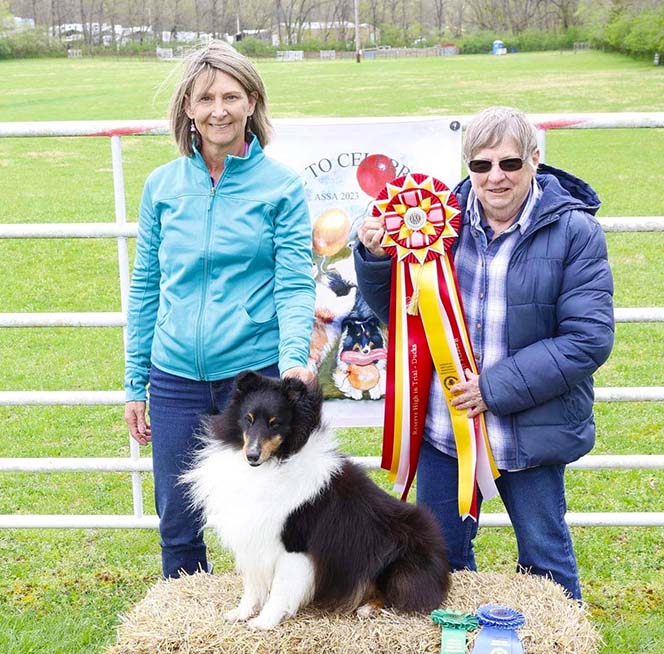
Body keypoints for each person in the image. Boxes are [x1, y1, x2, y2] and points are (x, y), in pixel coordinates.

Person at [354, 106, 614, 601]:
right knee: (439, 560)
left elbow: (588, 338)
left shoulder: (576, 231)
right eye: (481, 164)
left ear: (535, 160)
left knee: (545, 559)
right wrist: (376, 258)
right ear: (467, 165)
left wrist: (492, 389)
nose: (495, 177)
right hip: (443, 430)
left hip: (529, 431)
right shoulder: (435, 221)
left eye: (510, 163)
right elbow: (400, 314)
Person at [124, 41, 315, 580]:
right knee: (179, 523)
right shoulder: (163, 187)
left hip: (251, 382)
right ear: (187, 107)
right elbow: (144, 286)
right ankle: (184, 642)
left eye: (232, 96)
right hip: (174, 376)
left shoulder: (280, 186)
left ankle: (268, 626)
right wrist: (135, 383)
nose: (219, 110)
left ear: (252, 102)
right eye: (206, 97)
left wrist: (294, 357)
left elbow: (295, 281)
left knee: (266, 516)